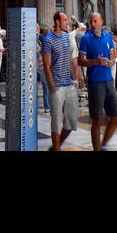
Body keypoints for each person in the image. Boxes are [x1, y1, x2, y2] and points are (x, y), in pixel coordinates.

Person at [76, 11, 117, 150]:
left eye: (95, 21)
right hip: (95, 82)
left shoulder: (108, 37)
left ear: (101, 22)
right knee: (96, 119)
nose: (92, 24)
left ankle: (103, 144)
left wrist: (110, 62)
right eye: (91, 22)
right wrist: (94, 61)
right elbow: (80, 61)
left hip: (109, 80)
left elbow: (113, 56)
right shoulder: (86, 38)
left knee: (116, 117)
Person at [41, 11, 80, 151]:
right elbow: (46, 65)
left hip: (68, 84)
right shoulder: (48, 40)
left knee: (72, 121)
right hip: (56, 86)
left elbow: (68, 58)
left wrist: (74, 77)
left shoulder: (65, 36)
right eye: (64, 20)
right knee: (56, 122)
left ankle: (56, 146)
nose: (67, 22)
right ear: (57, 22)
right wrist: (52, 86)